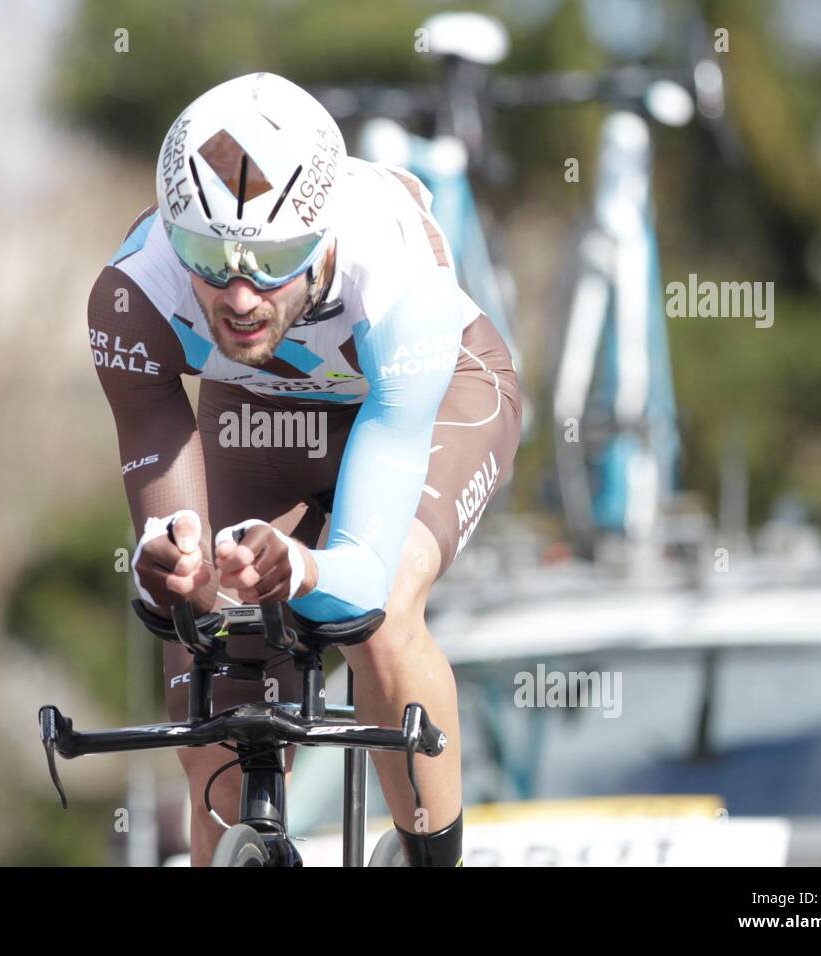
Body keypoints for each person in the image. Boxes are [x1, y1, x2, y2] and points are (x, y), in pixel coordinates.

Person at [88, 72, 520, 866]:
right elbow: (167, 542)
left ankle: (431, 855)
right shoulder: (133, 294)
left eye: (274, 259)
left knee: (380, 610)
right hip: (256, 413)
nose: (241, 296)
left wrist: (310, 567)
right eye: (210, 259)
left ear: (322, 236)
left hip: (426, 395)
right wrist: (172, 565)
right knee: (214, 650)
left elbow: (355, 577)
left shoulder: (393, 279)